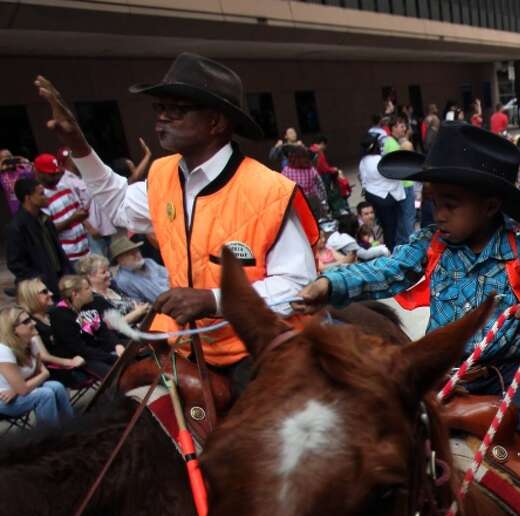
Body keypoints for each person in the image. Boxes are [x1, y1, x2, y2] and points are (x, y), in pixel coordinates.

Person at [295, 123, 520, 516]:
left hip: (506, 375)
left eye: (450, 204)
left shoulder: (518, 250)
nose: (437, 214)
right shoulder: (428, 244)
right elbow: (386, 271)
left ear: (490, 206)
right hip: (443, 373)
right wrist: (331, 284)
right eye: (434, 202)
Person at [35, 53, 319, 390]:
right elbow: (118, 206)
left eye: (176, 110)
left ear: (216, 122)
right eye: (159, 108)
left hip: (255, 350)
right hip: (185, 341)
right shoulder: (163, 173)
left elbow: (299, 288)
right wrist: (80, 147)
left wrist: (213, 300)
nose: (161, 119)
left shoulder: (270, 190)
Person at [0, 305, 74, 427]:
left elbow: (41, 373)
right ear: (13, 330)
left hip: (19, 391)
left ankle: (71, 428)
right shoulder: (4, 352)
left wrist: (16, 389)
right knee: (44, 395)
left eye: (30, 318)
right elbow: (26, 388)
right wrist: (20, 389)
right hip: (4, 400)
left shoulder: (31, 342)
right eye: (26, 321)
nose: (34, 322)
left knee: (57, 386)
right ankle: (48, 440)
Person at [13, 278, 91, 387]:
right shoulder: (29, 322)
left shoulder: (53, 312)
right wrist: (70, 362)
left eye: (48, 290)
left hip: (79, 356)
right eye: (44, 292)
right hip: (58, 369)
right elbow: (43, 356)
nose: (51, 293)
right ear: (31, 297)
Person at [49, 273, 124, 374]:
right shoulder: (60, 315)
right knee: (116, 372)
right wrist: (112, 357)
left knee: (134, 347)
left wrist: (117, 345)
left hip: (98, 348)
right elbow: (79, 348)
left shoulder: (88, 305)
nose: (91, 291)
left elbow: (103, 330)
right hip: (82, 358)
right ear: (75, 294)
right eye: (87, 288)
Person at [5, 178, 69, 295]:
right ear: (28, 198)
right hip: (42, 286)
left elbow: (57, 249)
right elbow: (15, 263)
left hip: (60, 279)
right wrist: (40, 279)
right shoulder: (16, 227)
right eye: (41, 194)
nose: (46, 197)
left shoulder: (45, 219)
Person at [33, 152, 90, 264]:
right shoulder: (40, 198)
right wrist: (72, 219)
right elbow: (47, 230)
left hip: (85, 249)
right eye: (51, 175)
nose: (56, 177)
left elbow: (78, 212)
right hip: (68, 256)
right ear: (39, 173)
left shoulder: (64, 187)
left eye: (57, 173)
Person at [76, 252, 151, 328]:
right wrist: (138, 312)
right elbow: (109, 326)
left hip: (144, 323)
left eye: (108, 270)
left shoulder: (113, 286)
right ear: (89, 277)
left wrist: (141, 308)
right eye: (103, 272)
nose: (109, 274)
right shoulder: (93, 299)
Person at [359, 134, 405, 250]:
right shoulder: (381, 160)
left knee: (380, 225)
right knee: (390, 227)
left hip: (372, 196)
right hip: (386, 199)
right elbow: (393, 178)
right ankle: (391, 250)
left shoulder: (363, 161)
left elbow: (363, 179)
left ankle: (380, 247)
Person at [108, 234, 169, 304]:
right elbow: (141, 304)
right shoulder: (123, 280)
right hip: (165, 307)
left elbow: (171, 276)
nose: (137, 254)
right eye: (132, 253)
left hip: (176, 294)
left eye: (137, 250)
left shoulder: (148, 262)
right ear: (121, 260)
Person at [1, 150, 34, 216]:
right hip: (17, 212)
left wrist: (22, 160)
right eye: (4, 158)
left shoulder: (23, 168)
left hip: (32, 208)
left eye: (9, 157)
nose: (8, 160)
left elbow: (34, 168)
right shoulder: (1, 176)